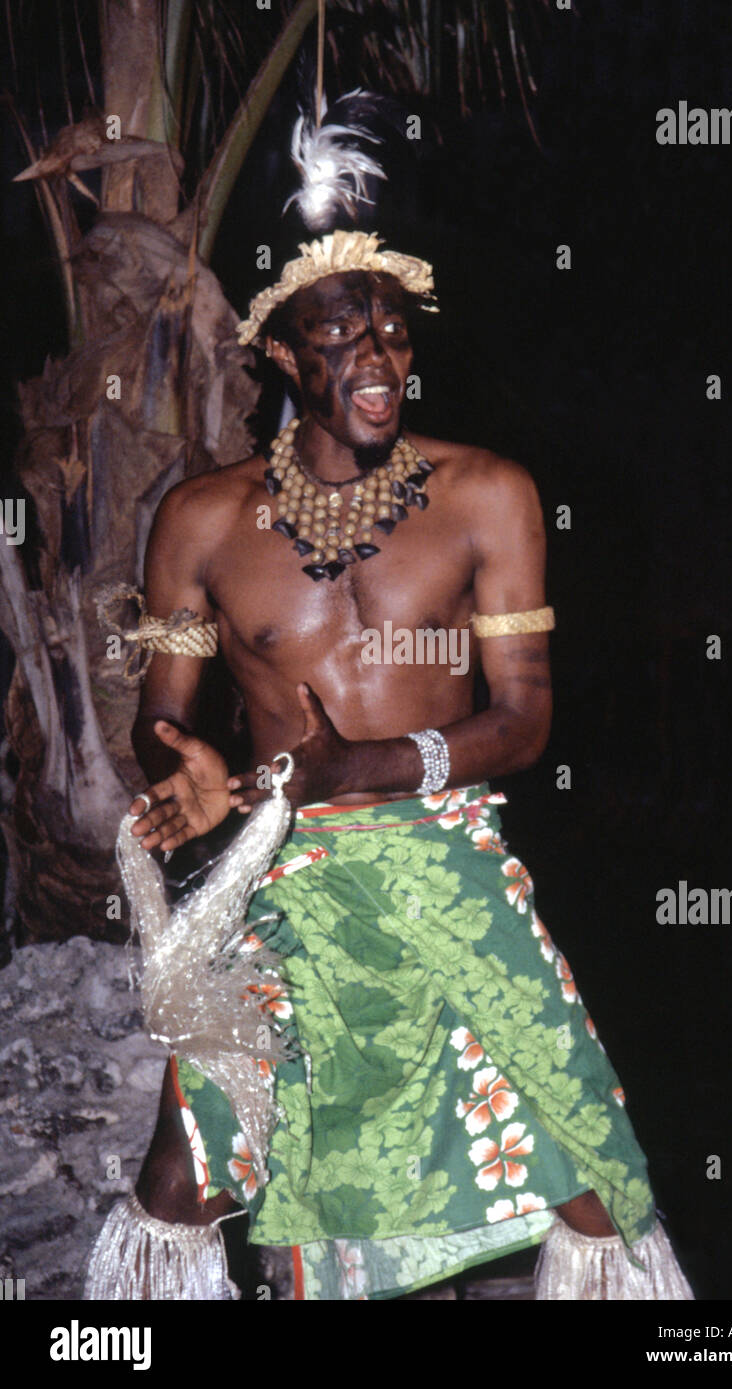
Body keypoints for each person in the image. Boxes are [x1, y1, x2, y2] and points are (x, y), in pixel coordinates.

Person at [85, 231, 692, 1301]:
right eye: (338, 334)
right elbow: (161, 722)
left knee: (590, 1168)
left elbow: (523, 722)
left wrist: (357, 761)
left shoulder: (488, 493)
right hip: (290, 879)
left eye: (394, 334)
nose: (378, 358)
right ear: (280, 354)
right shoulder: (202, 519)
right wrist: (188, 767)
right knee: (185, 1180)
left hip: (451, 870)